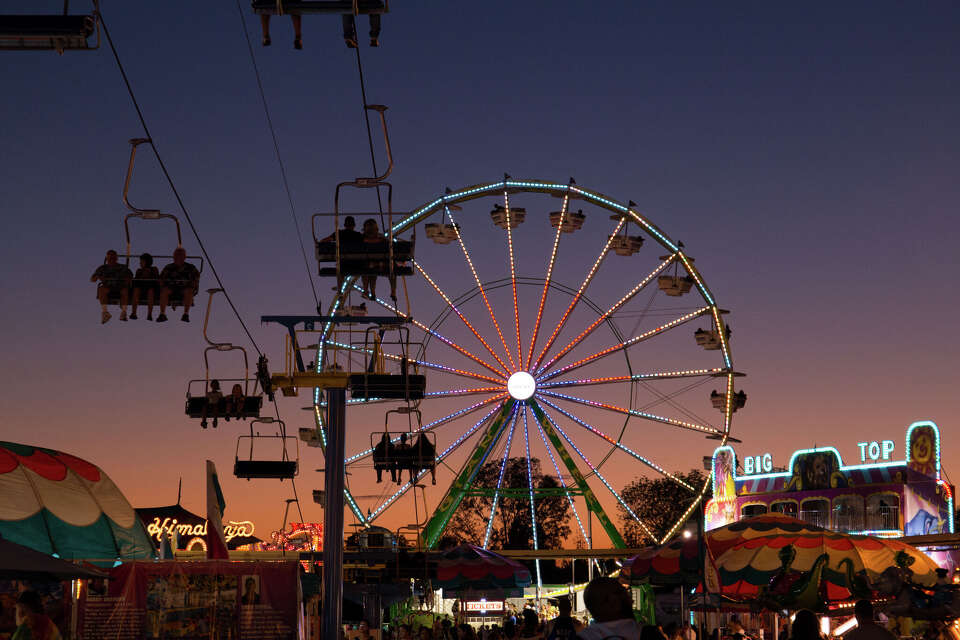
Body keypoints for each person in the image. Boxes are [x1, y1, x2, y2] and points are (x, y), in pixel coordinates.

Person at [158, 247, 200, 323]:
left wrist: (194, 284)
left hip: (184, 288)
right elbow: (161, 277)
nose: (177, 257)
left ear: (184, 257)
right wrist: (162, 283)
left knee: (189, 291)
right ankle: (162, 314)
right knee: (164, 291)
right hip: (171, 288)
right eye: (176, 255)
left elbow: (196, 277)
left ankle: (186, 314)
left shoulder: (190, 267)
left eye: (179, 255)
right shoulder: (169, 267)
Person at [91, 249, 133, 323]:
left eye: (113, 258)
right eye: (110, 258)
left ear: (116, 258)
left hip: (120, 287)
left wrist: (127, 279)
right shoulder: (102, 268)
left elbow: (130, 276)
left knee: (125, 290)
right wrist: (98, 277)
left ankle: (123, 312)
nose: (111, 260)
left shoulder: (122, 267)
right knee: (101, 289)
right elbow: (92, 279)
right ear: (107, 259)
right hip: (108, 287)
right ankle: (105, 313)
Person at [130, 252, 160, 320]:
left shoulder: (154, 269)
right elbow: (136, 281)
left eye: (142, 261)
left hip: (151, 287)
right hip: (141, 288)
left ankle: (149, 314)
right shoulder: (139, 271)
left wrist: (149, 274)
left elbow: (156, 279)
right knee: (136, 290)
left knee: (150, 291)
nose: (140, 263)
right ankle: (134, 312)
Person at [361, 218, 384, 300]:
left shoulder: (361, 238)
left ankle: (366, 290)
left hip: (365, 262)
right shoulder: (381, 238)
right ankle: (372, 292)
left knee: (366, 272)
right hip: (376, 261)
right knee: (373, 274)